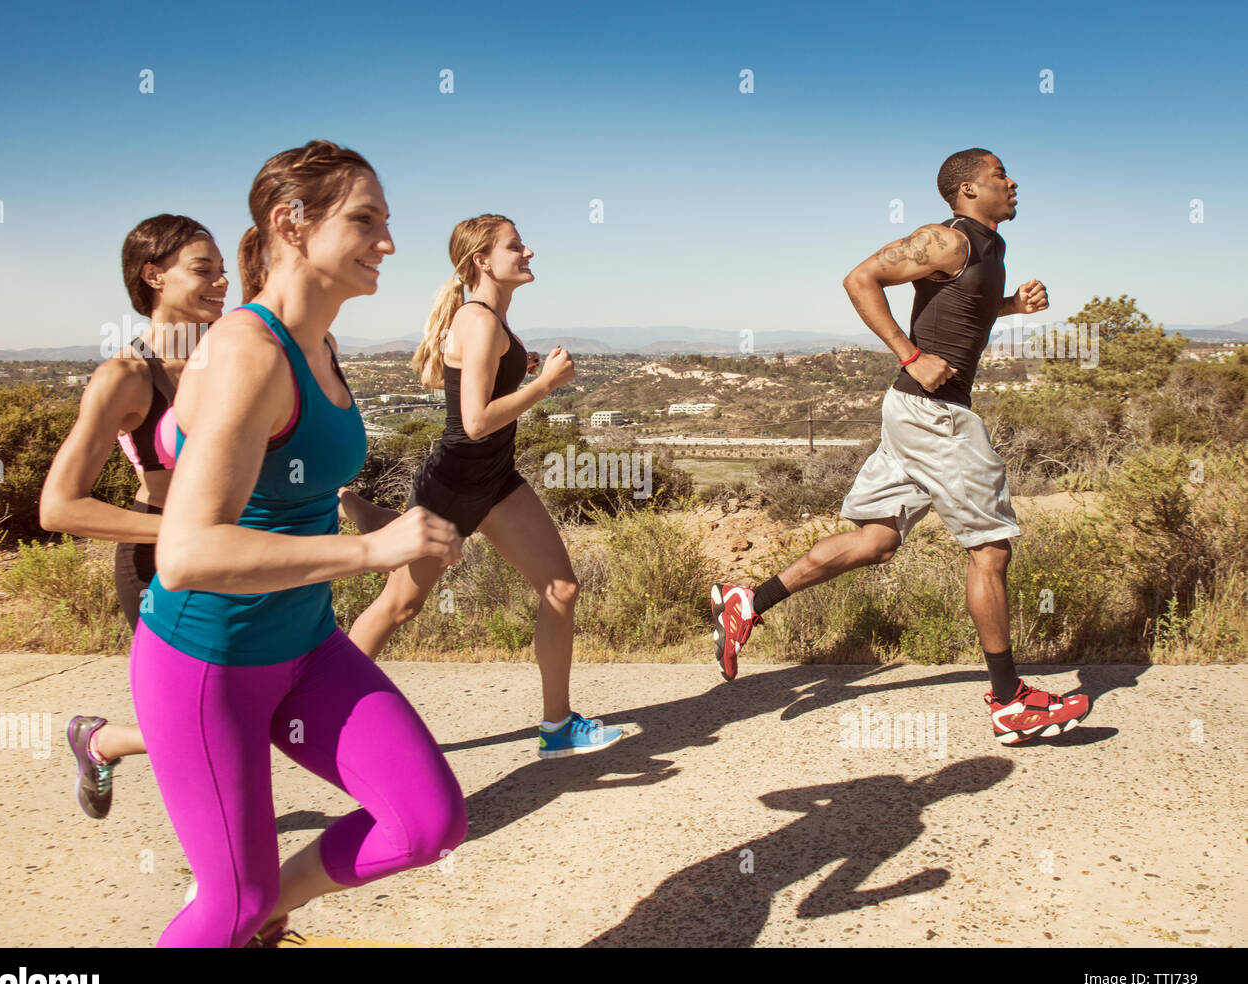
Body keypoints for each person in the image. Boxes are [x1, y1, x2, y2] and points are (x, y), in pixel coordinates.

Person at [130, 140, 466, 947]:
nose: (387, 242)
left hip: (305, 645)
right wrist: (368, 556)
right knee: (227, 905)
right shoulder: (250, 349)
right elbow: (185, 554)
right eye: (365, 220)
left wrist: (366, 521)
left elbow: (292, 475)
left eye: (387, 223)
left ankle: (268, 904)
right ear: (292, 222)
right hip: (210, 661)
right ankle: (246, 911)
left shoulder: (318, 344)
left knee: (428, 822)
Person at [710, 149, 1090, 745]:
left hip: (913, 412)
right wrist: (910, 354)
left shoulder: (990, 248)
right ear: (967, 189)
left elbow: (961, 310)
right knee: (990, 550)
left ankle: (747, 602)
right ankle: (1011, 701)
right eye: (999, 174)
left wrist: (1013, 305)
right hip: (935, 414)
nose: (1012, 181)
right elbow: (859, 278)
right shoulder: (946, 239)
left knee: (877, 540)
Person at [346, 214, 623, 758]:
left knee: (560, 587)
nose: (529, 252)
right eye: (515, 245)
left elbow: (451, 380)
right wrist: (543, 385)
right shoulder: (478, 321)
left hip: (494, 480)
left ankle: (557, 726)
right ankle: (319, 706)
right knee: (400, 606)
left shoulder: (486, 321)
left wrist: (520, 371)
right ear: (481, 261)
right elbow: (473, 422)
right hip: (452, 485)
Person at [41, 214, 226, 818]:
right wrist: (180, 533)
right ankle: (101, 742)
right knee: (212, 718)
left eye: (224, 271)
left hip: (237, 552)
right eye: (203, 270)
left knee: (253, 702)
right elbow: (59, 506)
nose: (222, 283)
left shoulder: (233, 356)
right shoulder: (125, 377)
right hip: (159, 564)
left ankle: (103, 740)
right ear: (153, 276)